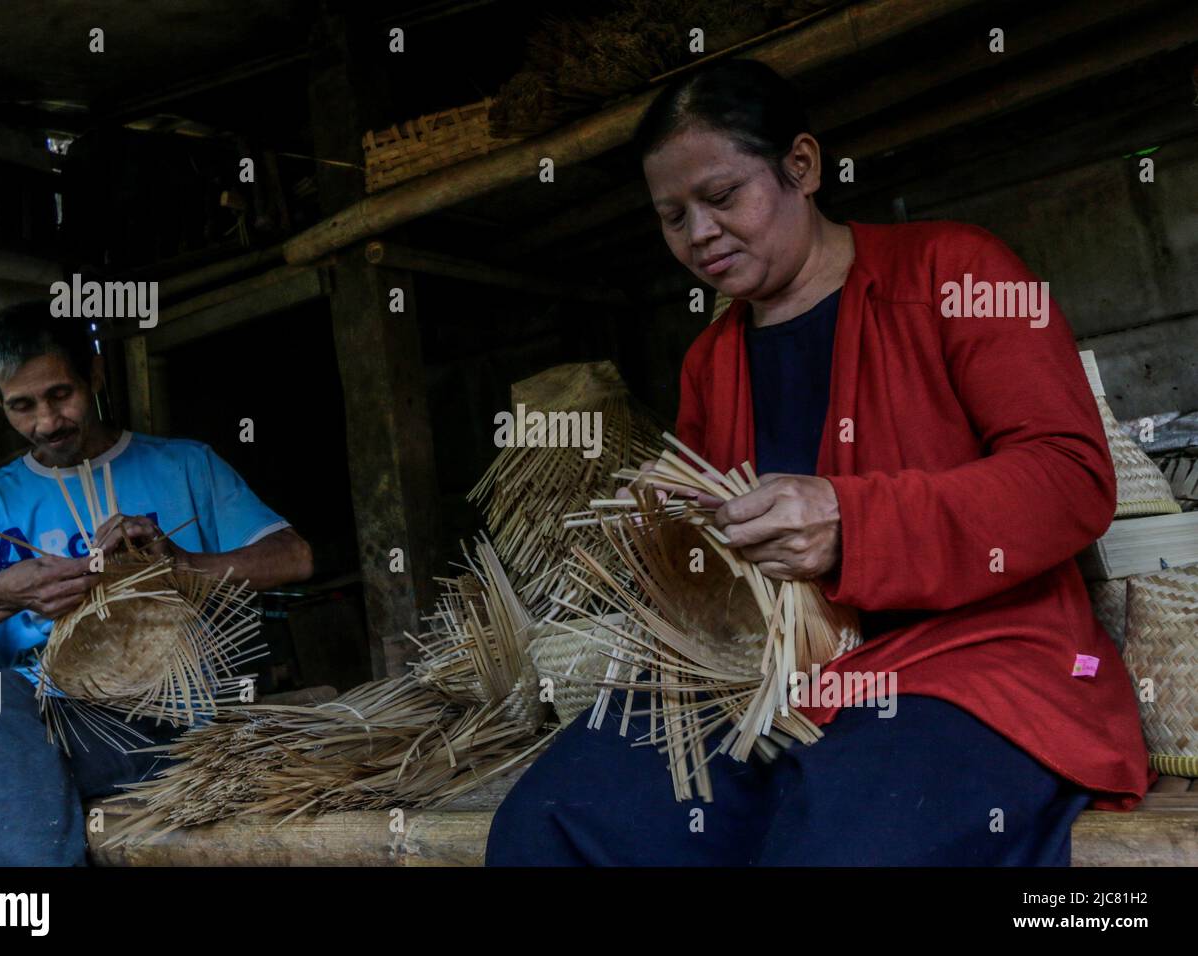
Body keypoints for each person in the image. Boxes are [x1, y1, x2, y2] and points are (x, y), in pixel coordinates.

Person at [485, 60, 1153, 866]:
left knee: (843, 841)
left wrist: (852, 523)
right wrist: (664, 536)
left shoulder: (956, 272)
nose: (698, 234)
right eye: (672, 216)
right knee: (551, 822)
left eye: (723, 197)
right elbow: (726, 573)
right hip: (769, 682)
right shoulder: (712, 360)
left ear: (801, 165)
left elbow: (1070, 480)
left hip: (970, 663)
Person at [0, 302, 314, 865]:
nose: (47, 422)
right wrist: (6, 594)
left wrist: (181, 565)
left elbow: (294, 557)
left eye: (60, 395)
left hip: (168, 715)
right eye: (22, 406)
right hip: (43, 726)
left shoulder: (186, 465)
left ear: (94, 373)